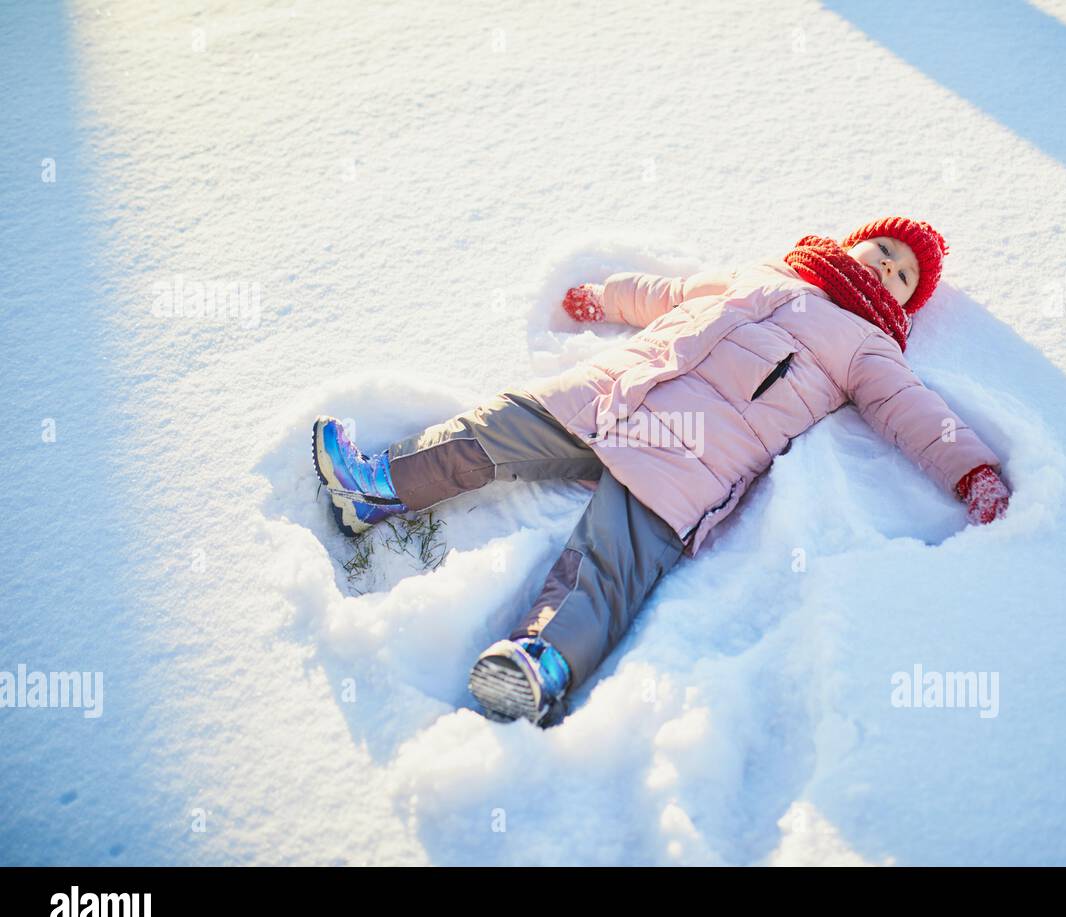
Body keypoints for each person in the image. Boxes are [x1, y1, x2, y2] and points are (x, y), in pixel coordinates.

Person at [311, 216, 1011, 728]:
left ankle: (541, 663)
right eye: (884, 249)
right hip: (610, 396)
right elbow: (672, 294)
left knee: (609, 562)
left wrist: (971, 470)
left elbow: (914, 412)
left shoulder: (868, 346)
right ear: (856, 240)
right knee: (499, 426)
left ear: (906, 302)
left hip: (690, 458)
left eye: (903, 275)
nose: (887, 267)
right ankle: (377, 487)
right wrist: (607, 297)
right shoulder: (769, 272)